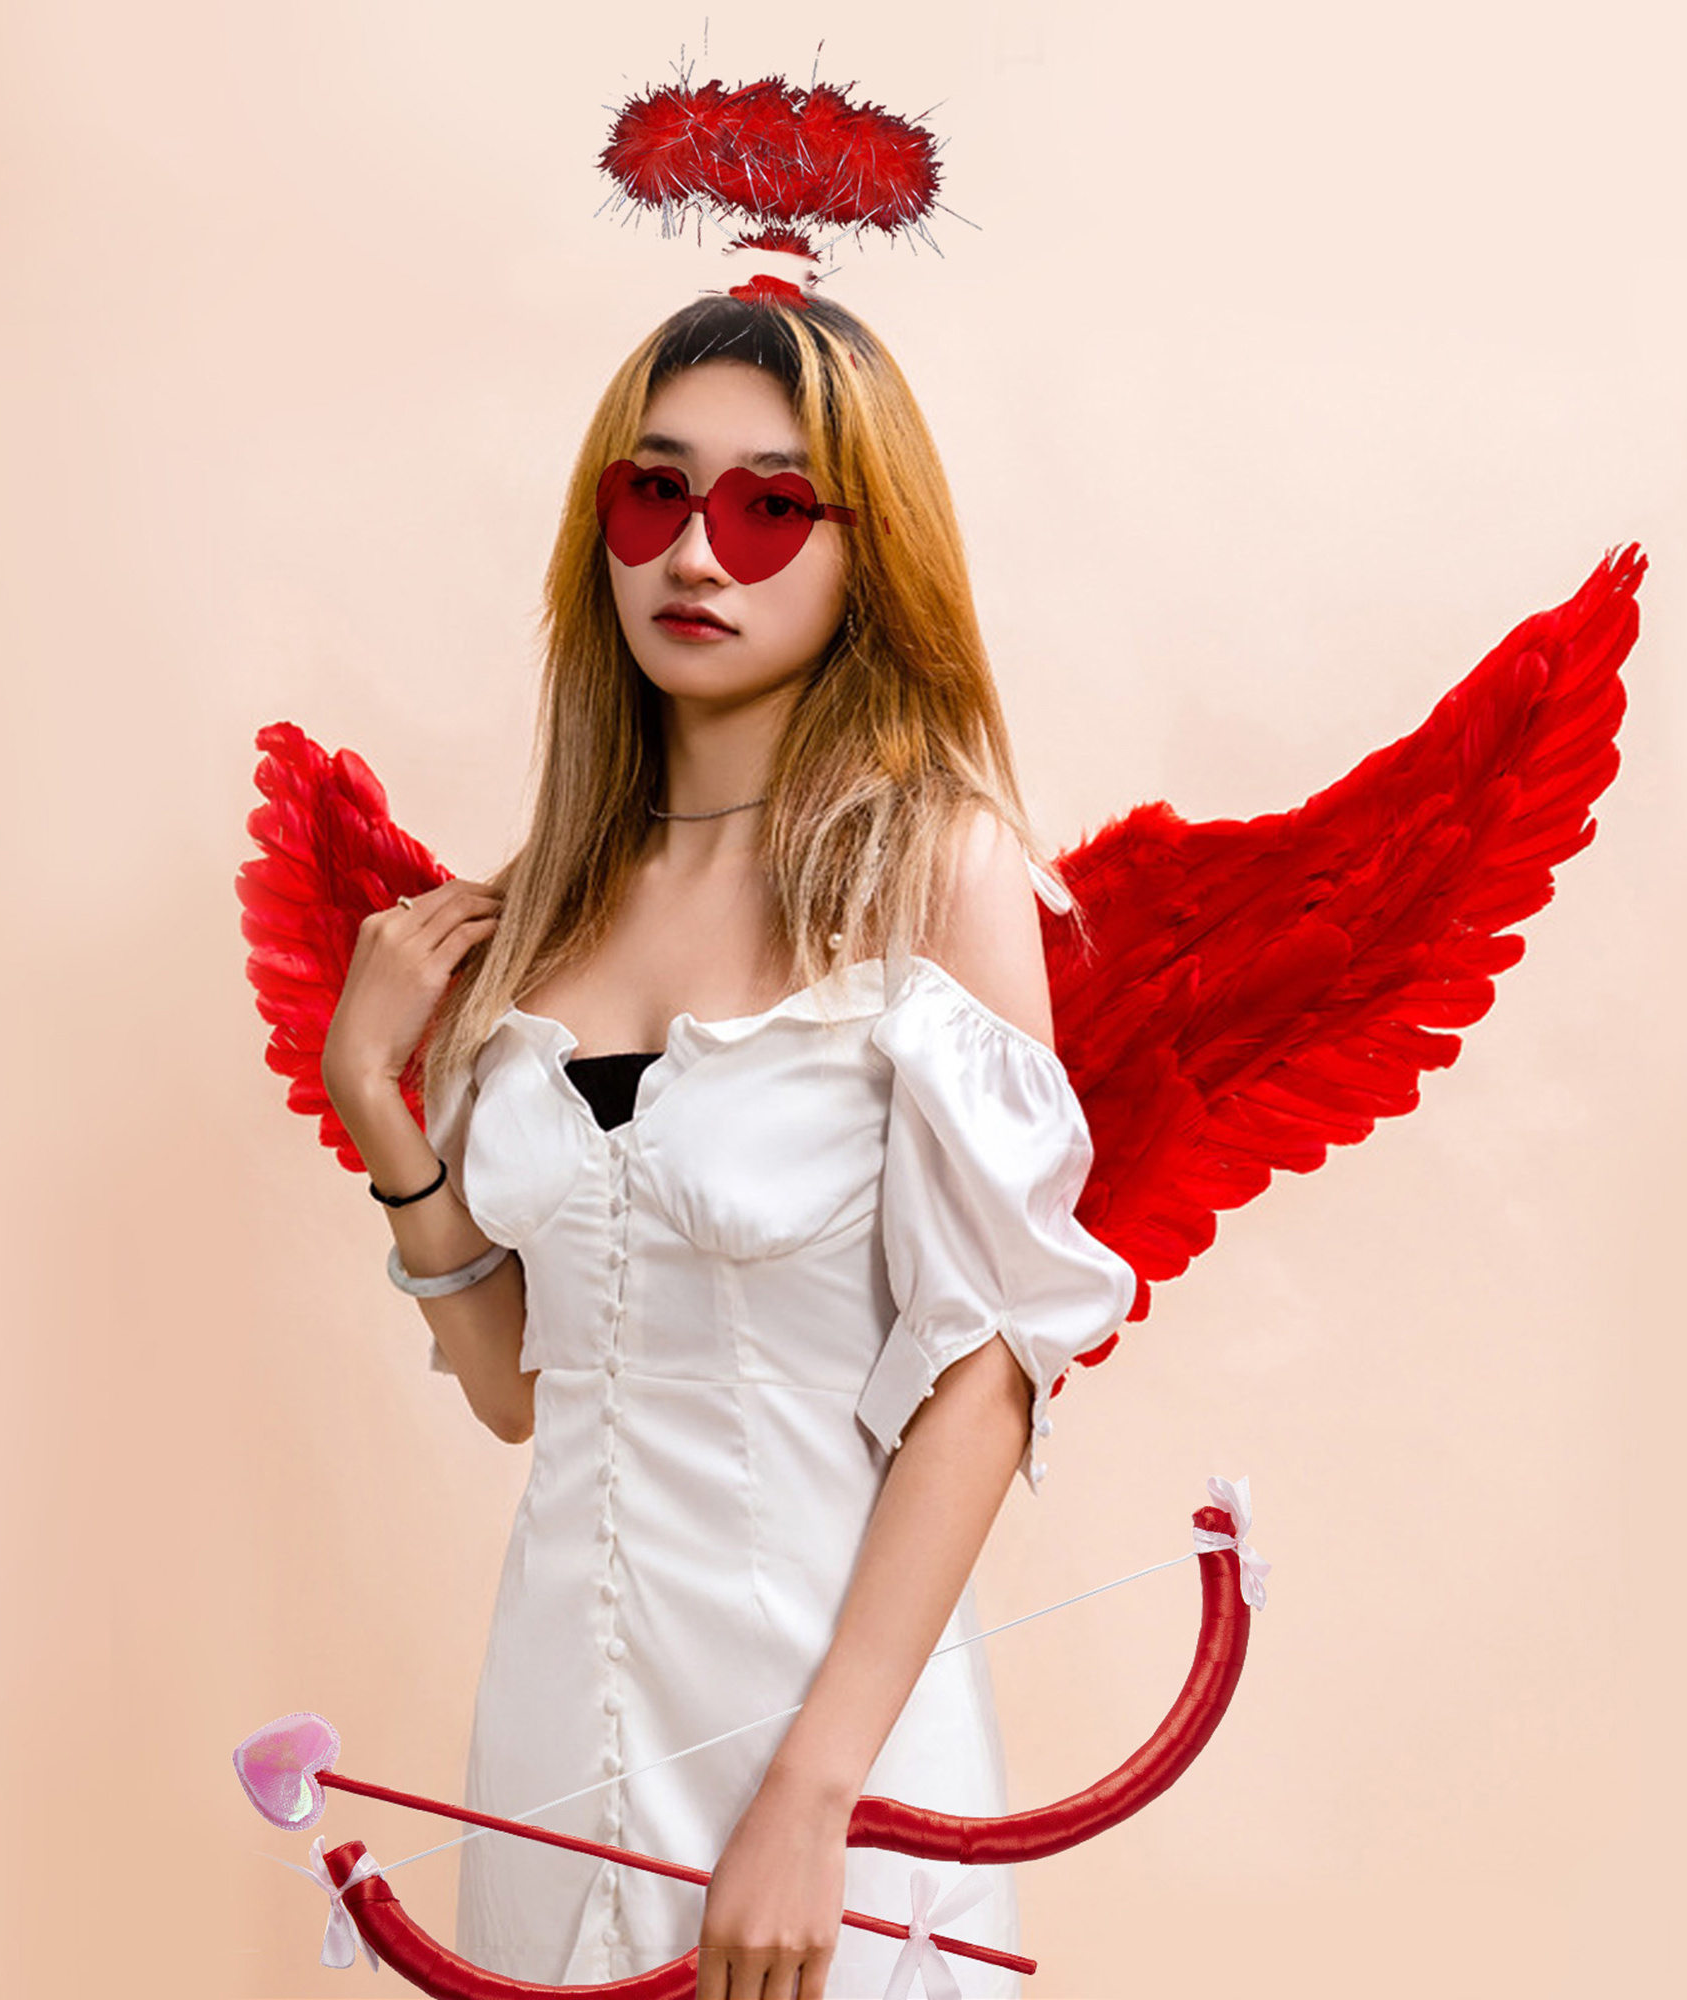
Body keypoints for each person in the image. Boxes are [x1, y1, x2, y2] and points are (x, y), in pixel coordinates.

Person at [319, 290, 1137, 2000]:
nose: (697, 554)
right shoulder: (546, 909)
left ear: (863, 552)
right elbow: (525, 1393)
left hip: (829, 1740)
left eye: (770, 508)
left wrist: (818, 1793)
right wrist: (384, 1113)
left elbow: (986, 1374)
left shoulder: (932, 869)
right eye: (656, 493)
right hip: (555, 1741)